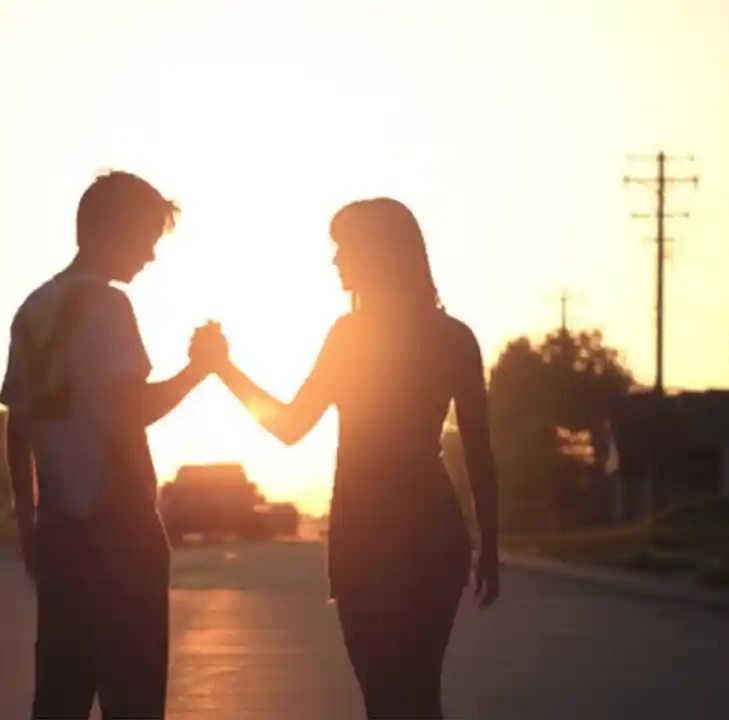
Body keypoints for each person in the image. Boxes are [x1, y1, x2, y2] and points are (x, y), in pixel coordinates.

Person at [190, 197, 500, 719]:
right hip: (434, 535)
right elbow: (480, 454)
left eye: (344, 248)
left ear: (377, 253)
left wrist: (223, 369)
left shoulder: (350, 337)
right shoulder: (454, 338)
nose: (335, 261)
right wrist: (489, 545)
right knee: (420, 697)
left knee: (386, 700)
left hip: (368, 539)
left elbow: (289, 427)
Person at [0, 171, 208, 719]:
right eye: (146, 239)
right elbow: (134, 409)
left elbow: (16, 425)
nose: (150, 257)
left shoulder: (33, 310)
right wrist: (200, 369)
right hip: (121, 531)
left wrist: (29, 522)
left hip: (62, 534)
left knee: (60, 697)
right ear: (113, 231)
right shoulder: (106, 307)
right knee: (133, 699)